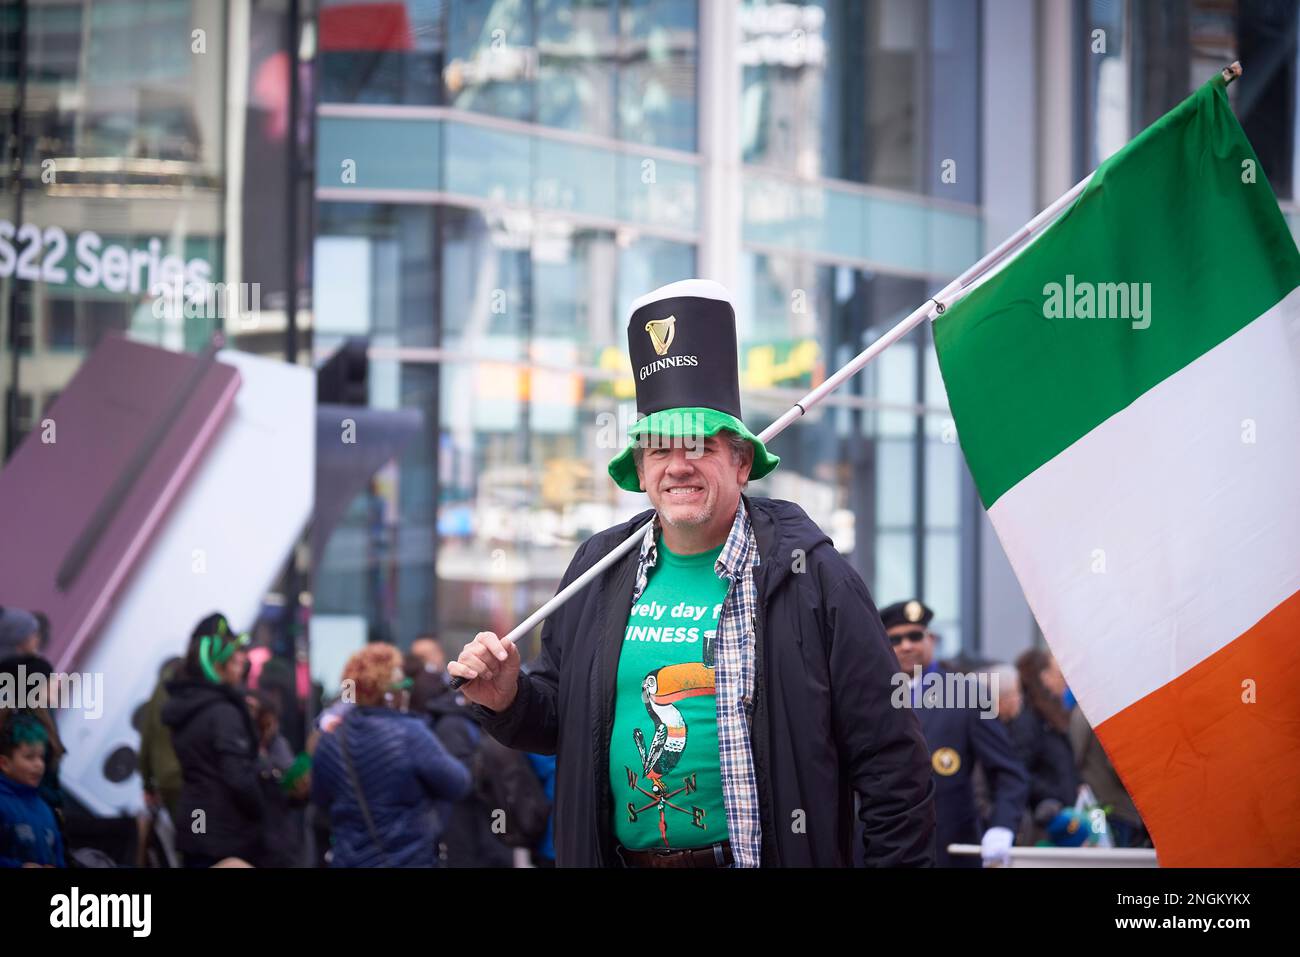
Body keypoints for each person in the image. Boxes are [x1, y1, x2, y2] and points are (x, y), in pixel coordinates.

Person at [451, 278, 935, 867]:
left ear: (741, 459)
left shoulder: (811, 575)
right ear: (641, 467)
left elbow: (891, 765)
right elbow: (565, 721)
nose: (678, 465)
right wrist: (509, 699)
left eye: (699, 444)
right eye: (659, 448)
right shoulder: (597, 572)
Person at [877, 599, 1028, 868]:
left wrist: (1002, 826)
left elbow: (1008, 772)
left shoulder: (966, 693)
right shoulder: (869, 697)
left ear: (930, 639)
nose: (906, 645)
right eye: (896, 639)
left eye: (915, 636)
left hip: (948, 846)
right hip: (881, 847)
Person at [310, 643, 470, 867]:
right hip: (408, 859)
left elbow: (320, 799)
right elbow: (458, 783)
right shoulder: (411, 734)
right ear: (390, 693)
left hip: (348, 860)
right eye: (402, 685)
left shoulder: (331, 739)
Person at [162, 613, 266, 868]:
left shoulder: (189, 704)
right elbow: (237, 777)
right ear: (218, 664)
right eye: (235, 657)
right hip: (224, 833)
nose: (243, 660)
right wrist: (261, 807)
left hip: (196, 827)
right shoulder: (223, 712)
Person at [1009, 648, 1081, 840]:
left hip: (1066, 819)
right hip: (1045, 824)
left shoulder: (1051, 718)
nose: (1065, 681)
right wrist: (1055, 795)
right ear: (1044, 677)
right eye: (1059, 674)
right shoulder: (1029, 722)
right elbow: (1020, 771)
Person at [0, 711, 65, 867]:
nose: (38, 765)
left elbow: (59, 858)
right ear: (5, 764)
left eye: (41, 757)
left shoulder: (45, 810)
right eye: (29, 757)